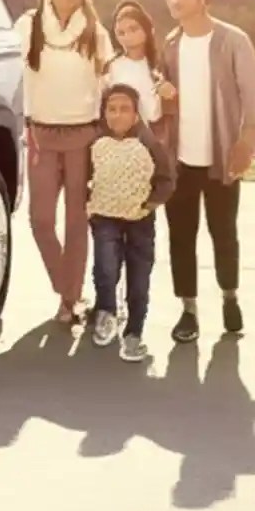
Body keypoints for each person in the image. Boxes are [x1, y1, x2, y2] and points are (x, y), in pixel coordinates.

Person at [159, 0, 255, 343]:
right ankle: (188, 310)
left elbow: (252, 92)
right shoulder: (170, 45)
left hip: (222, 158)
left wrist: (247, 138)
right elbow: (162, 100)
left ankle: (230, 297)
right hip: (181, 162)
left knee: (224, 233)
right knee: (180, 237)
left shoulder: (232, 40)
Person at [16, 0, 117, 323]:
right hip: (41, 134)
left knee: (77, 221)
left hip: (82, 135)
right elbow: (8, 69)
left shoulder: (94, 31)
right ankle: (67, 288)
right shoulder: (29, 25)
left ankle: (68, 303)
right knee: (40, 219)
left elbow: (111, 81)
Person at [86, 83, 176, 361]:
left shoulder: (148, 144)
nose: (117, 115)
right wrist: (89, 201)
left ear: (136, 114)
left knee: (138, 276)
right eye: (111, 109)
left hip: (139, 220)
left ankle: (134, 332)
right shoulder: (97, 145)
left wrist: (150, 203)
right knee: (106, 268)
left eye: (125, 109)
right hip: (104, 219)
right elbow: (85, 178)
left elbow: (166, 178)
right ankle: (106, 314)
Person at [106, 0, 178, 150]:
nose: (128, 36)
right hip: (123, 137)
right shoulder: (113, 66)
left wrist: (169, 93)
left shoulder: (161, 62)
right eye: (121, 32)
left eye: (134, 29)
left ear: (146, 29)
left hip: (157, 136)